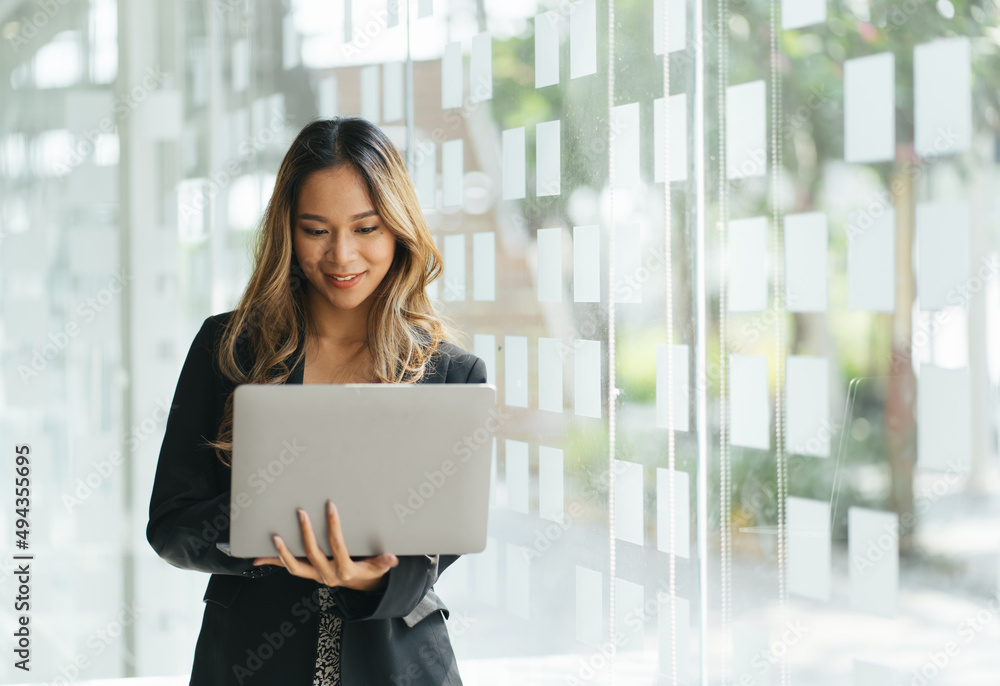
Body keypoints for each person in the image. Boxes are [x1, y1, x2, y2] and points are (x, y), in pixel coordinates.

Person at [145, 117, 486, 686]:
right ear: (288, 232)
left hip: (398, 667)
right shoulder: (226, 348)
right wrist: (265, 531)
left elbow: (437, 551)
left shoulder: (451, 374)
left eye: (366, 227)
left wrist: (368, 578)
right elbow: (172, 526)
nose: (342, 255)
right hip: (249, 661)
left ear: (398, 229)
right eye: (316, 230)